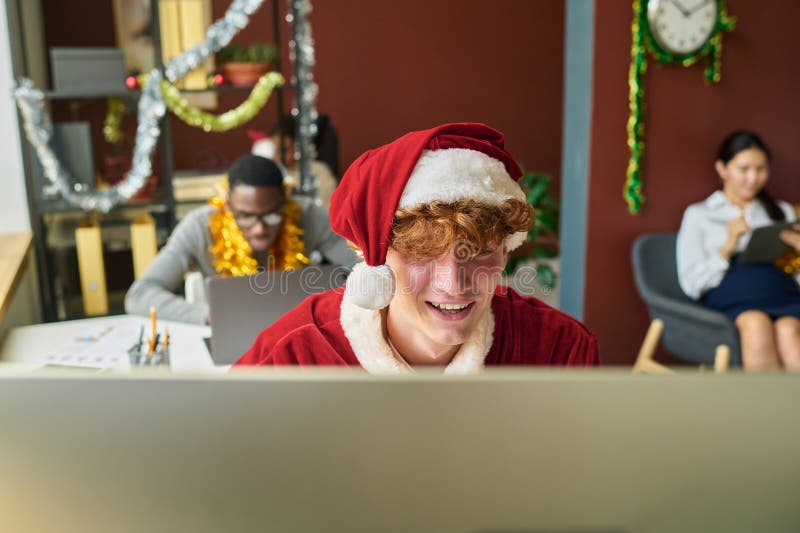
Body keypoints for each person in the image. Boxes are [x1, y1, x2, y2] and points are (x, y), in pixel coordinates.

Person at [234, 122, 600, 372]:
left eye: (476, 252)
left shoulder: (558, 349)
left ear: (504, 252)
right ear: (372, 258)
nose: (454, 285)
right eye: (423, 254)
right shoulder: (292, 355)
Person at [125, 155, 357, 324]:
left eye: (272, 215)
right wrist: (207, 316)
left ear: (285, 201)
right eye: (246, 217)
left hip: (297, 328)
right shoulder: (198, 226)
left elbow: (362, 268)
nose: (259, 229)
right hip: (228, 336)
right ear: (227, 205)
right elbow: (140, 295)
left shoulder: (308, 215)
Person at [676, 130, 800, 371]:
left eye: (761, 169)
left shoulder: (781, 211)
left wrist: (798, 255)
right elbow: (692, 283)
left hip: (781, 292)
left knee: (788, 329)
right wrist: (728, 246)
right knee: (755, 324)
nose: (753, 178)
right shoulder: (700, 214)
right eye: (744, 169)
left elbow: (793, 273)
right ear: (722, 169)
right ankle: (764, 407)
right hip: (735, 296)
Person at [249, 115, 338, 211]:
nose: (278, 156)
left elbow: (326, 211)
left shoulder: (319, 172)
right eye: (274, 150)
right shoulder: (271, 173)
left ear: (298, 147)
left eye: (284, 150)